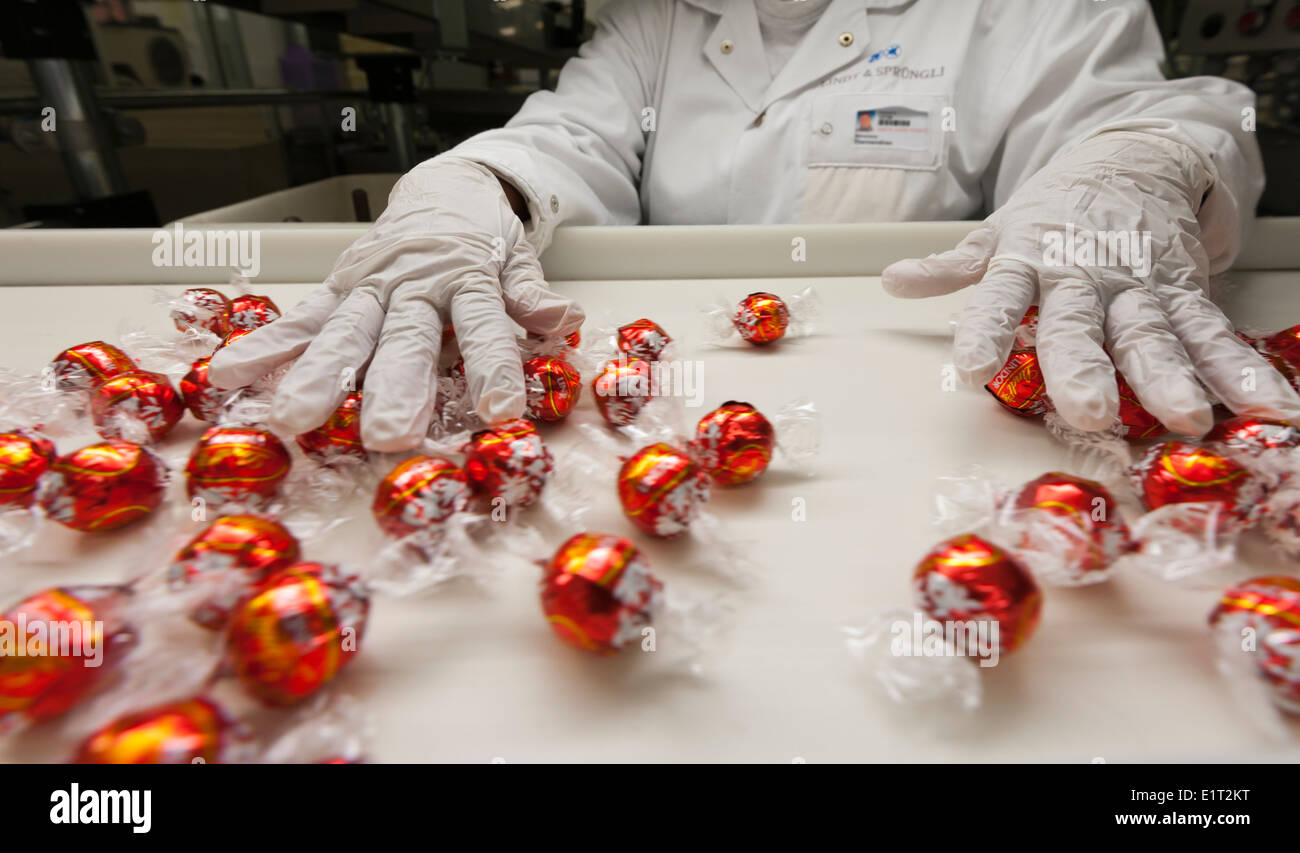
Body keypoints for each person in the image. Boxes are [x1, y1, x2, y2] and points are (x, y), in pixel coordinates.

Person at [209, 0, 1300, 451]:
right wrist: (460, 195)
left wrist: (1130, 171)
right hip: (670, 407)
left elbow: (1153, 116)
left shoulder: (1035, 12)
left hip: (928, 419)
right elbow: (565, 143)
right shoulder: (655, 21)